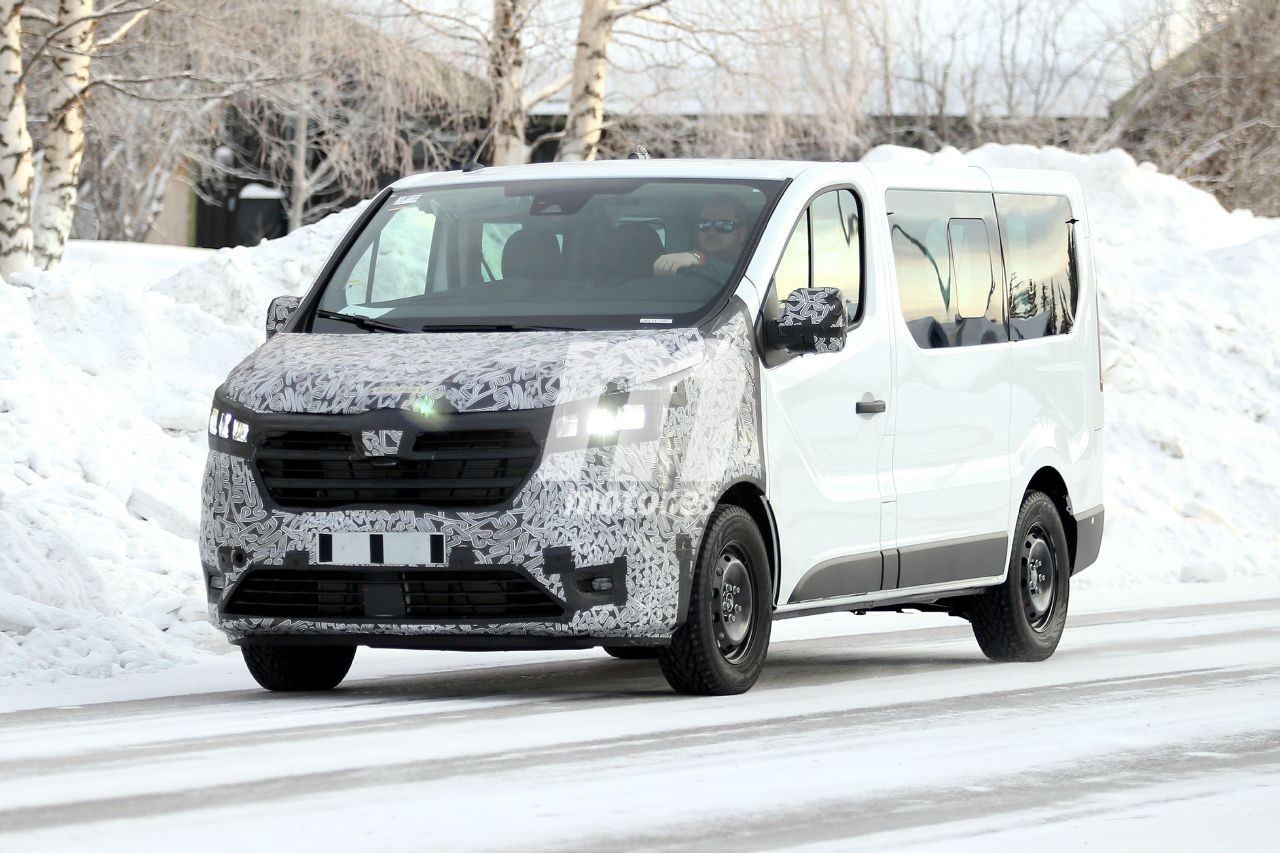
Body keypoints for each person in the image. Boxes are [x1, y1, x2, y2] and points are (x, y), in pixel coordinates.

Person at [653, 194, 751, 282]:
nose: (712, 232)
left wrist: (697, 257)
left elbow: (738, 276)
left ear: (741, 234)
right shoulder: (683, 273)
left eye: (724, 225)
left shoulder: (756, 261)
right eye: (705, 224)